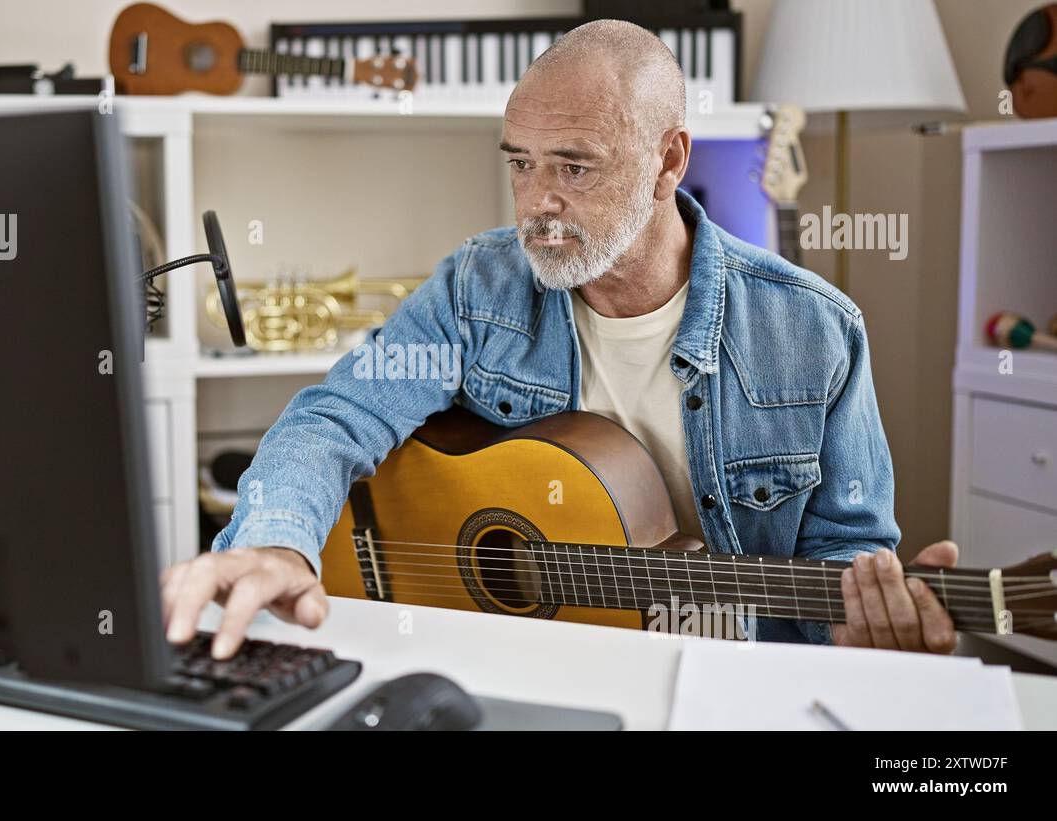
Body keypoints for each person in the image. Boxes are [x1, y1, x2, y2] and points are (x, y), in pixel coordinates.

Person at [161, 19, 961, 660]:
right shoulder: (478, 288)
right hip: (510, 664)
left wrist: (859, 628)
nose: (537, 202)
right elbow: (335, 416)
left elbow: (846, 561)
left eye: (574, 168)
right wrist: (276, 543)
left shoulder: (815, 329)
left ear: (667, 160)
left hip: (730, 682)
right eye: (521, 163)